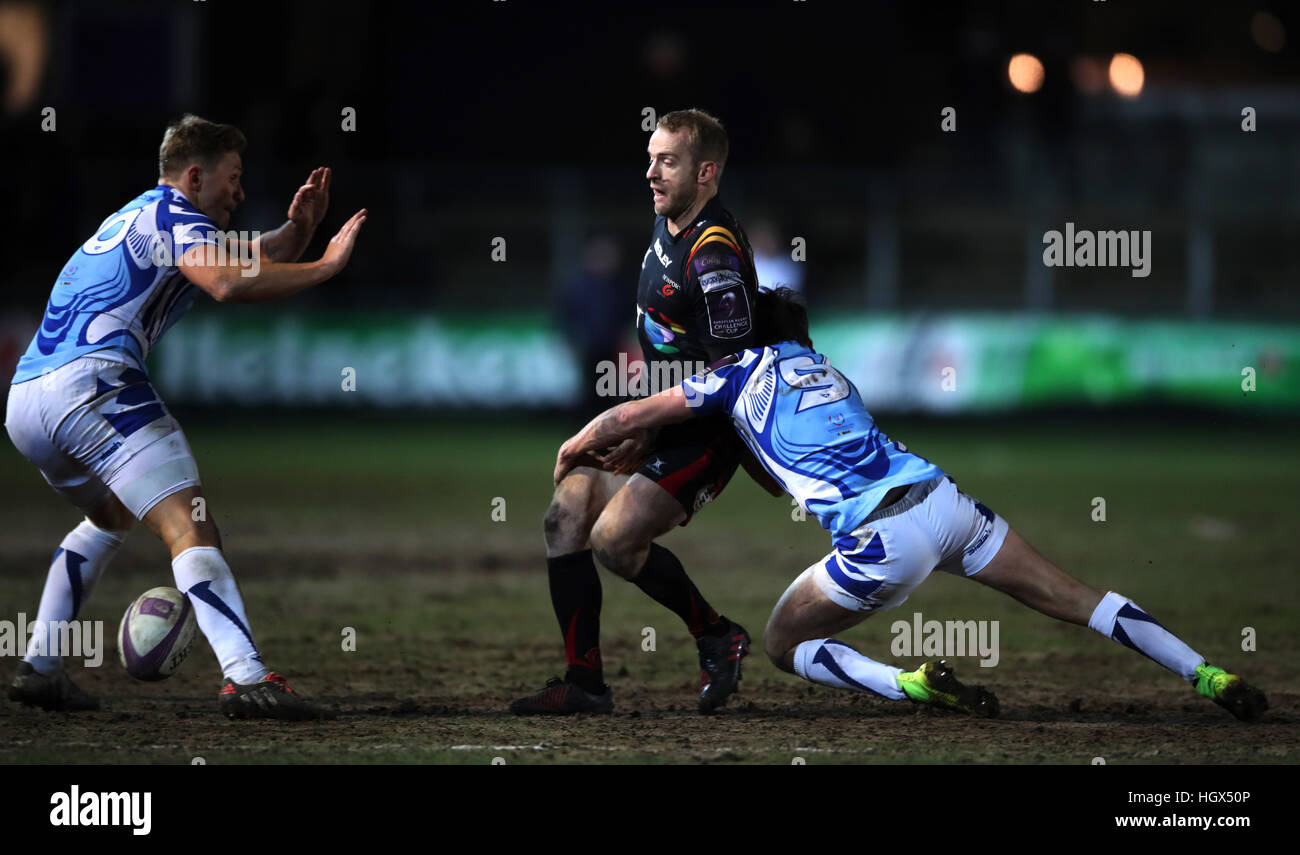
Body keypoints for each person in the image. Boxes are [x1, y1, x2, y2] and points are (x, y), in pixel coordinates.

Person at [552, 288, 1268, 721]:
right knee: (1077, 598)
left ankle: (911, 683)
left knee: (781, 644)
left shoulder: (739, 370)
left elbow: (636, 415)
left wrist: (582, 443)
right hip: (946, 502)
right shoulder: (831, 373)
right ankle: (1206, 672)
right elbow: (784, 466)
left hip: (880, 540)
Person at [5, 114, 366, 719]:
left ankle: (40, 667)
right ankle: (247, 678)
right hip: (96, 385)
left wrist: (298, 230)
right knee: (190, 527)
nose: (240, 192)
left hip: (27, 402)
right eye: (233, 177)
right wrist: (326, 267)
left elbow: (248, 257)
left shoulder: (140, 217)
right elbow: (226, 282)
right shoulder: (171, 216)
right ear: (194, 176)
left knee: (110, 514)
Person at [511, 109, 777, 716]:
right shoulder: (670, 219)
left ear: (706, 172)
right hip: (667, 414)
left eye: (667, 161)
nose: (651, 172)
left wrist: (644, 424)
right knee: (565, 516)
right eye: (651, 158)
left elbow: (733, 379)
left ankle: (716, 634)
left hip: (710, 431)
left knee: (614, 540)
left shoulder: (713, 258)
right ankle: (584, 685)